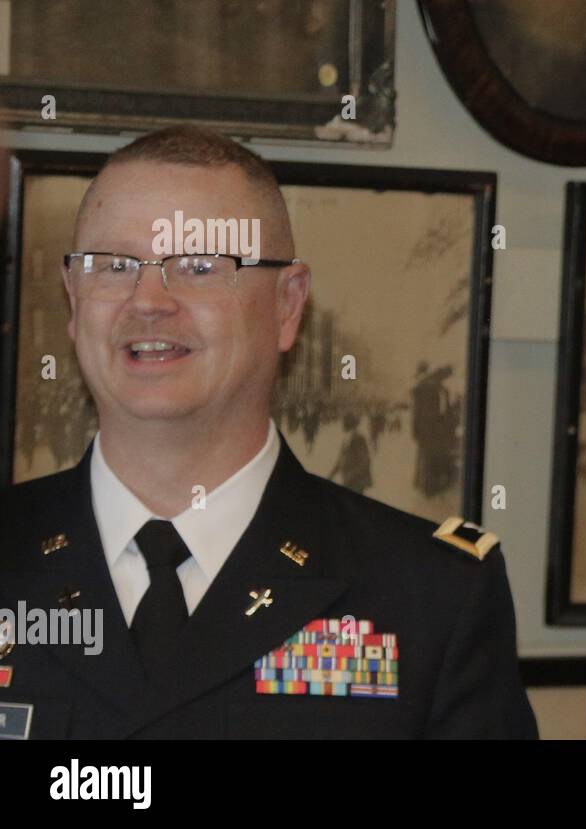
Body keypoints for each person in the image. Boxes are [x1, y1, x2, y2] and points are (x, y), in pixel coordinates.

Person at [0, 126, 536, 739]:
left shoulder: (429, 600)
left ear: (287, 305)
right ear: (73, 302)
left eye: (200, 266)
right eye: (114, 266)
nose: (148, 301)